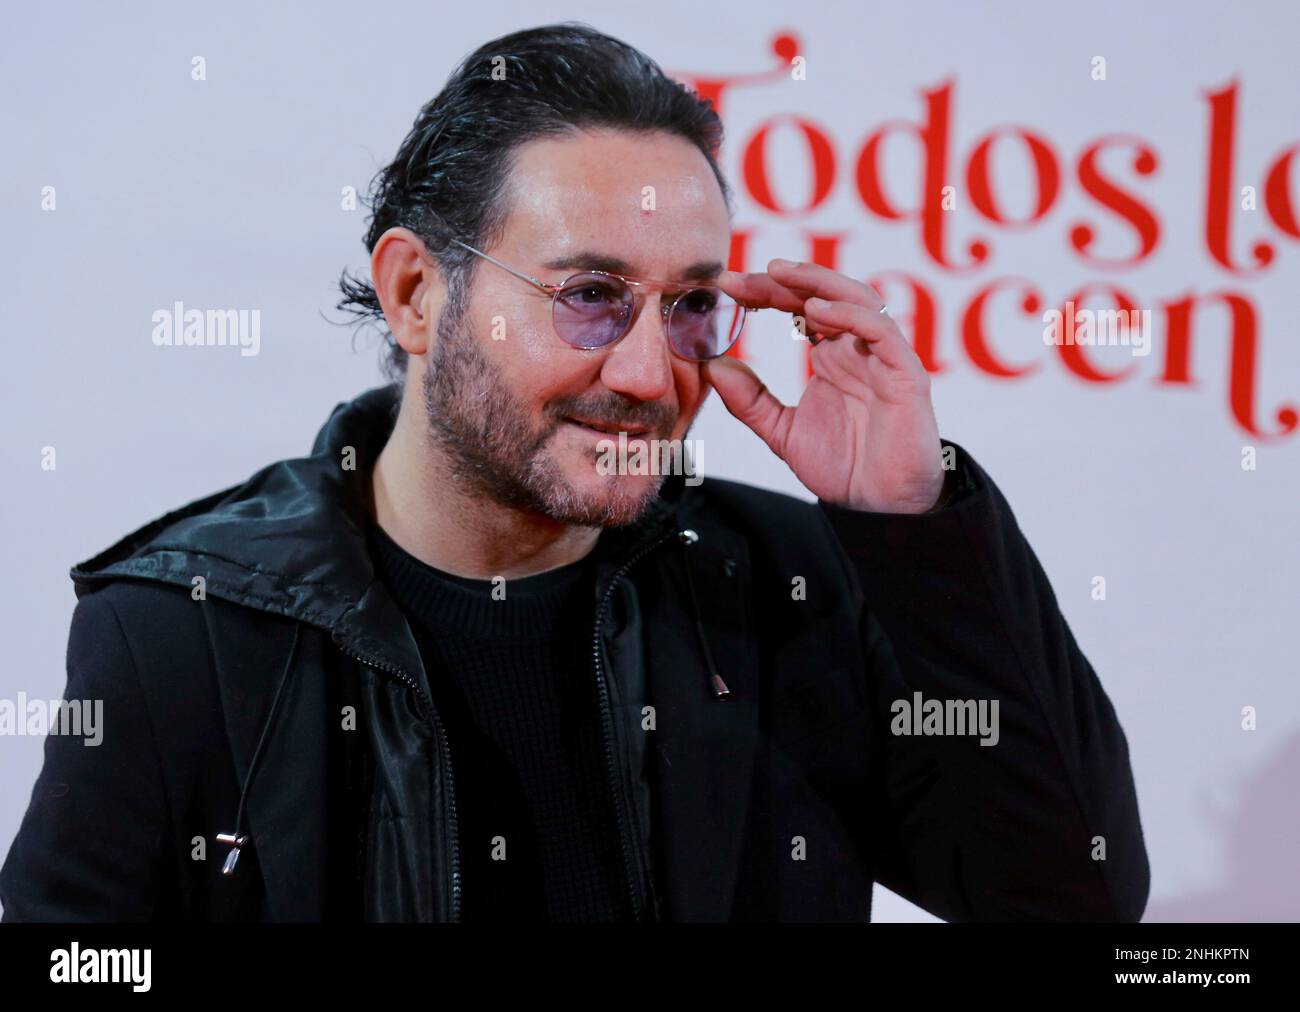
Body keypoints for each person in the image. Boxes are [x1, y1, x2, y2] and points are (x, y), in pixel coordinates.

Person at [0, 22, 1148, 922]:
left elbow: (1072, 896)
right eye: (590, 296)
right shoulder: (190, 626)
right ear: (415, 293)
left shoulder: (789, 587)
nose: (651, 373)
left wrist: (915, 527)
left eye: (690, 303)